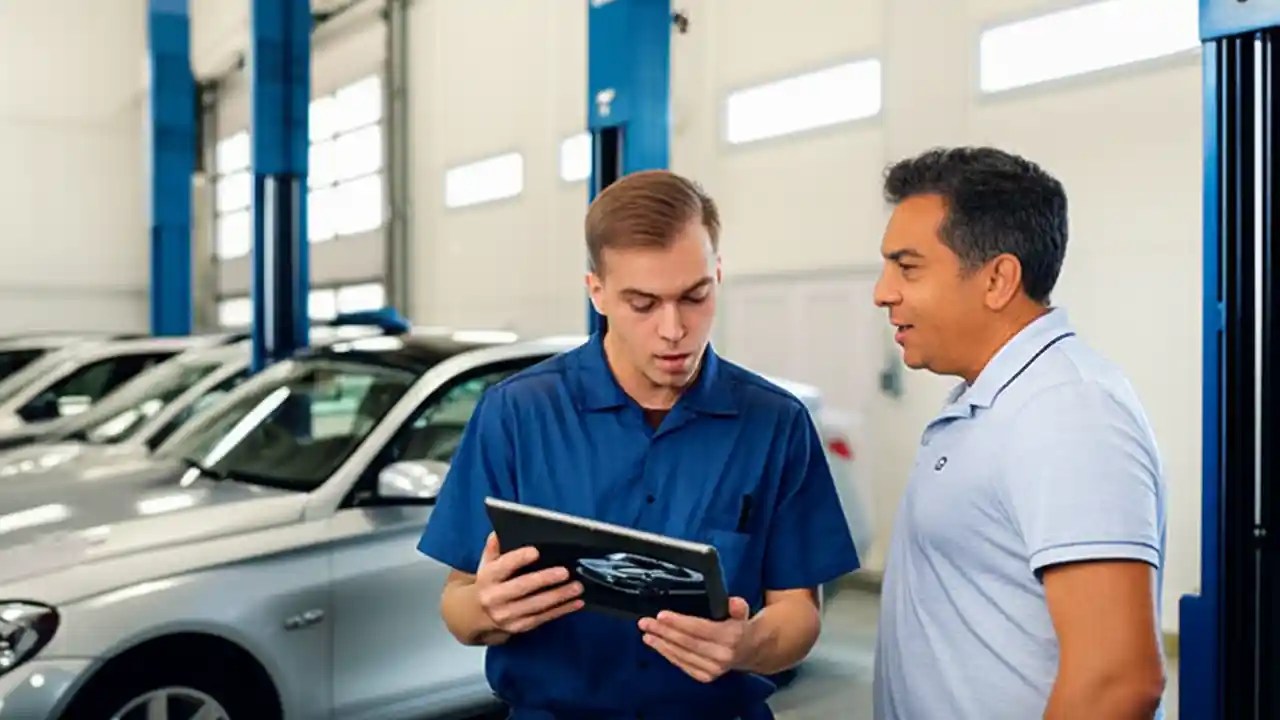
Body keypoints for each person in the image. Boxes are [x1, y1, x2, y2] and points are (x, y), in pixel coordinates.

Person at [416, 169, 861, 720]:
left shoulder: (774, 424)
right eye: (643, 304)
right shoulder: (517, 414)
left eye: (694, 296)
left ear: (717, 276)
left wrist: (745, 645)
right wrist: (486, 609)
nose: (674, 329)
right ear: (597, 292)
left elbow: (798, 612)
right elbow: (457, 604)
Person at [871, 146, 1168, 720]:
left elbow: (1117, 680)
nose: (883, 292)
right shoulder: (996, 399)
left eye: (907, 268)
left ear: (998, 279)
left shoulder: (1066, 411)